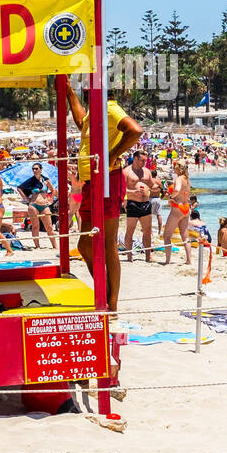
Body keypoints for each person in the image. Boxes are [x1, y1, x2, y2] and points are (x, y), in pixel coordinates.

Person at [66, 85, 143, 313]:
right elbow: (81, 122)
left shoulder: (110, 108)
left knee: (108, 244)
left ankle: (112, 302)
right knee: (84, 245)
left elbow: (135, 130)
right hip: (91, 182)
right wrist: (69, 92)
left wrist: (113, 154)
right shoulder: (95, 112)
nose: (86, 88)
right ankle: (105, 292)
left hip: (108, 179)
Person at [121, 152, 156, 263]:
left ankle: (148, 256)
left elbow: (152, 185)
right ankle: (129, 257)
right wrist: (133, 192)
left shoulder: (146, 171)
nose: (144, 163)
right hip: (132, 203)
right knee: (130, 231)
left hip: (145, 203)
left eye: (145, 160)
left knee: (147, 231)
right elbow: (120, 190)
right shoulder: (126, 172)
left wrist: (160, 188)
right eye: (142, 160)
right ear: (135, 159)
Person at [159, 160, 192, 266]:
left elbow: (177, 190)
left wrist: (170, 197)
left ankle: (167, 261)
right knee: (185, 236)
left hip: (177, 208)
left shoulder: (178, 179)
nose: (173, 169)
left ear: (178, 168)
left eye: (174, 167)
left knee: (167, 235)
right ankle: (189, 260)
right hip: (186, 208)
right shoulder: (187, 180)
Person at [16, 162, 55, 249]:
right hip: (33, 205)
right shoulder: (31, 181)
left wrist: (51, 200)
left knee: (49, 227)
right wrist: (26, 199)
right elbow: (19, 188)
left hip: (44, 205)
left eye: (36, 169)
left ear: (41, 170)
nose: (34, 170)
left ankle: (54, 245)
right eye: (33, 169)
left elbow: (53, 190)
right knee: (35, 226)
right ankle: (37, 246)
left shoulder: (46, 180)